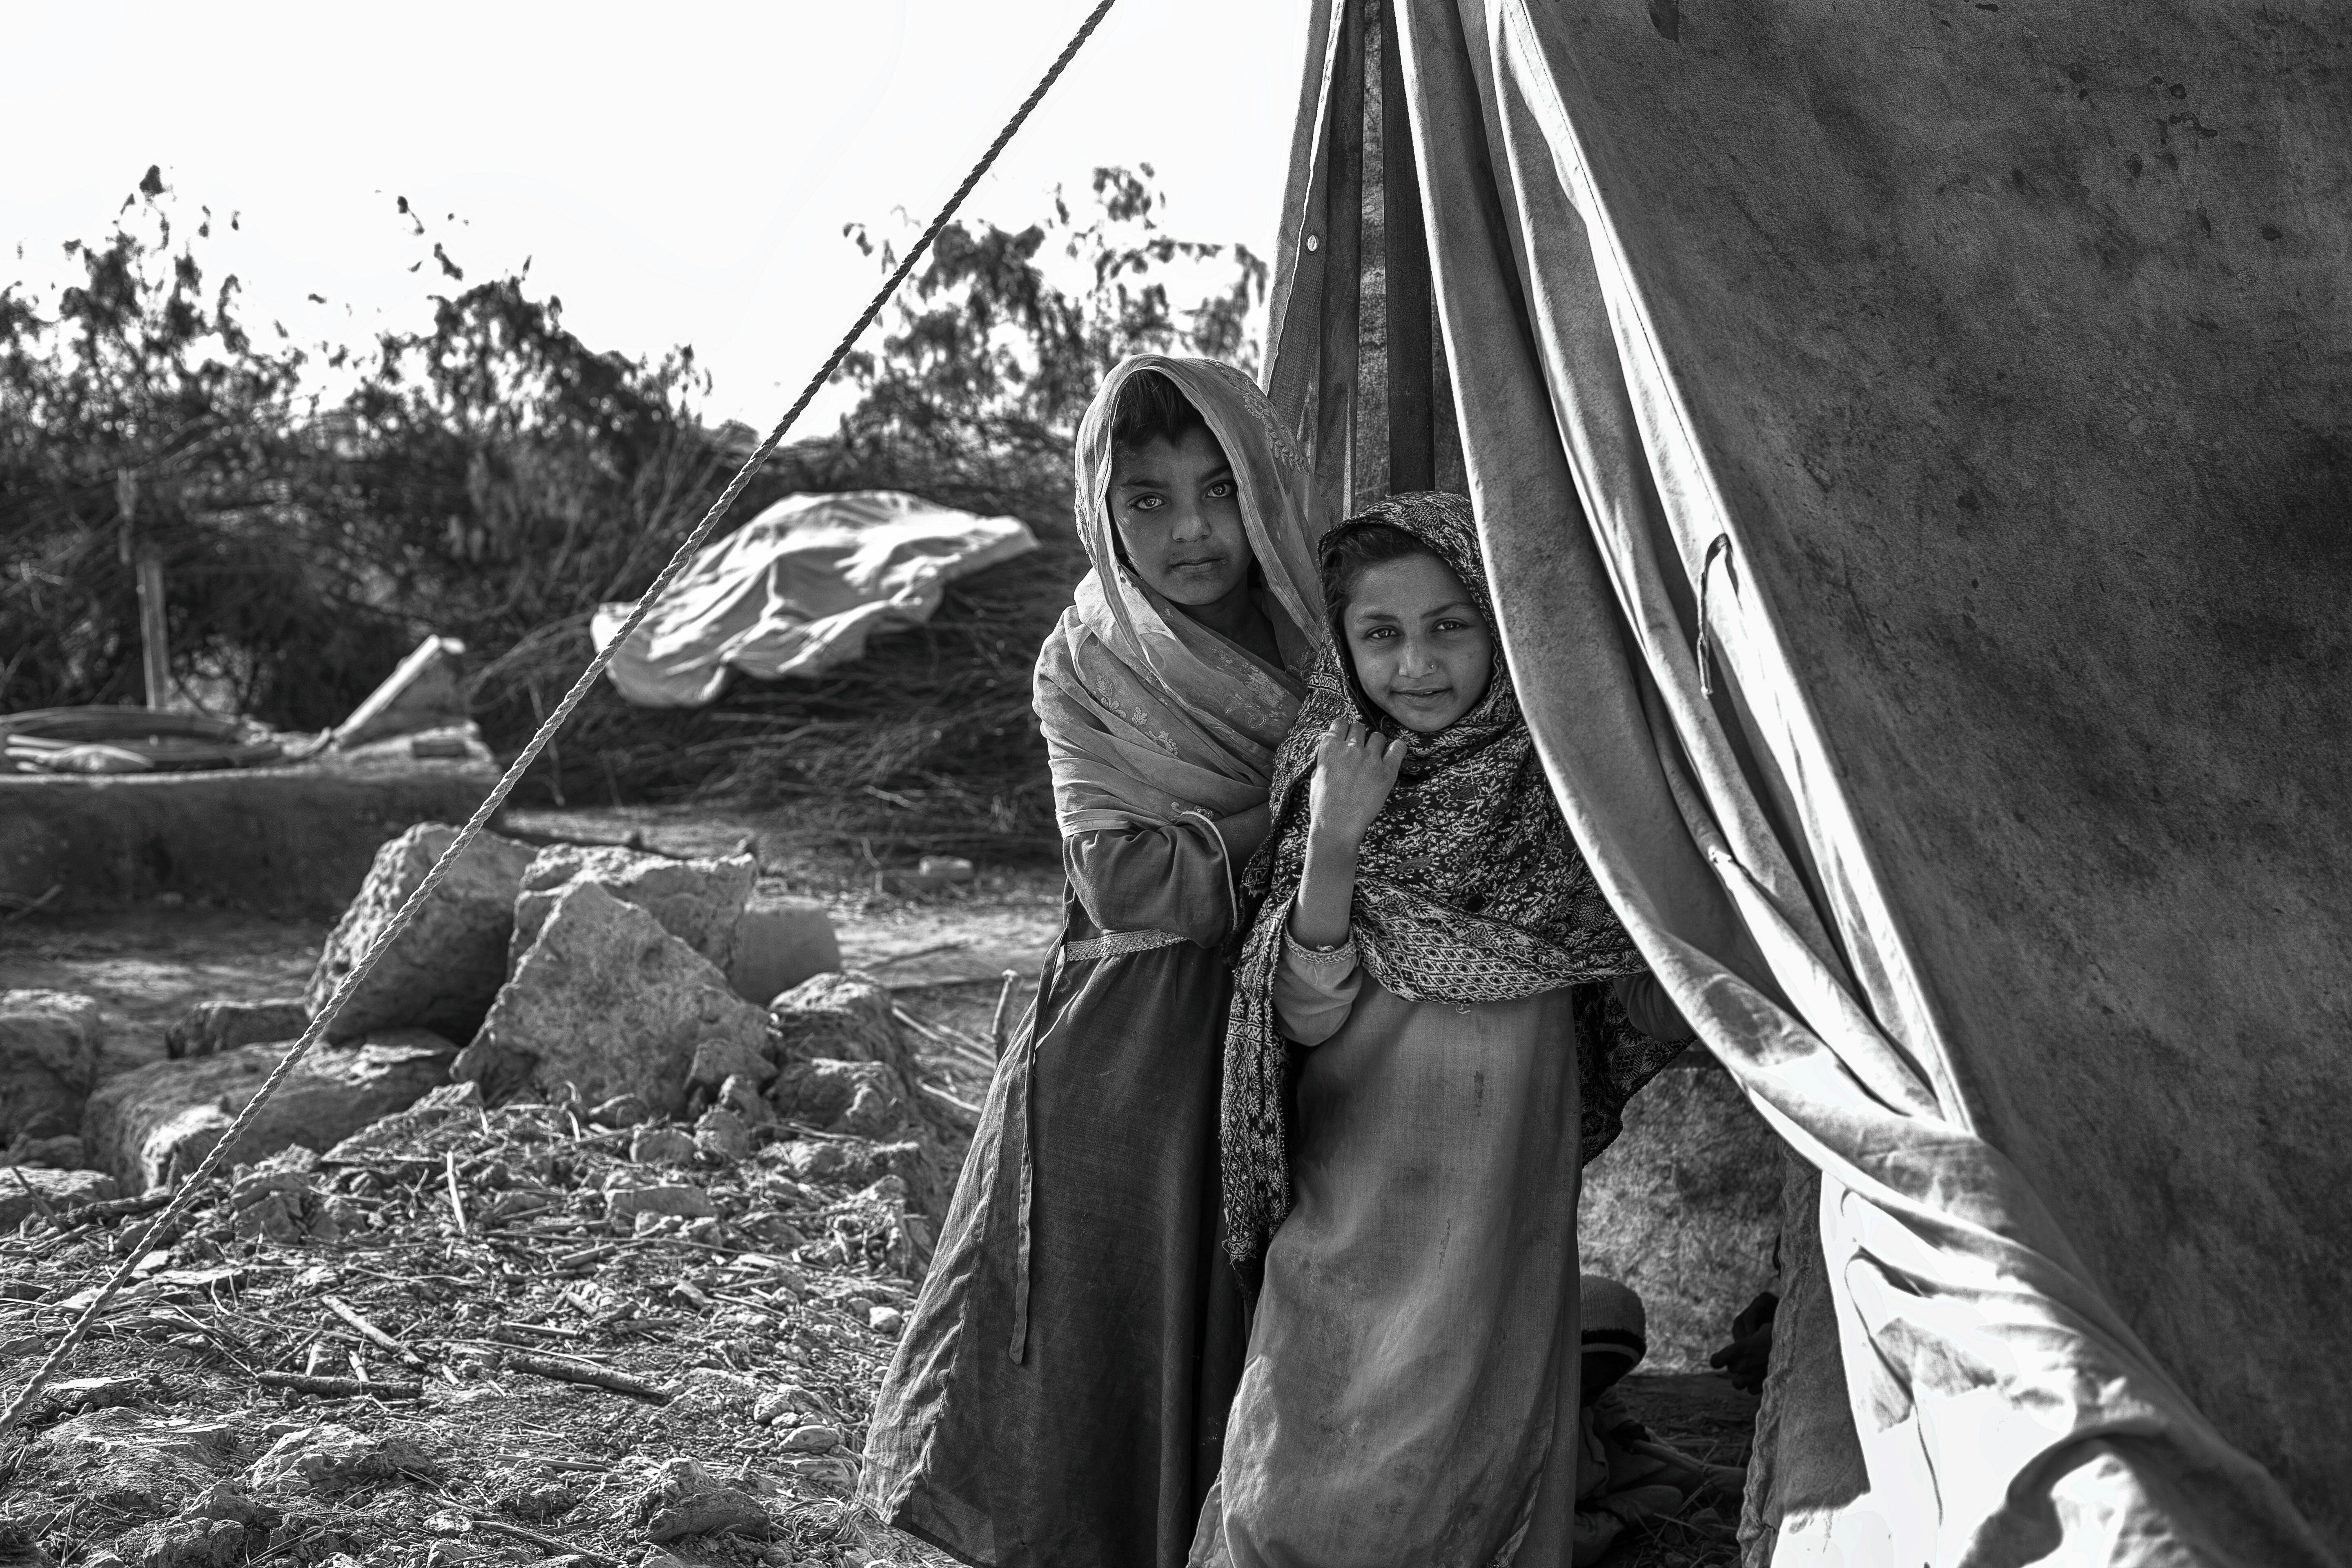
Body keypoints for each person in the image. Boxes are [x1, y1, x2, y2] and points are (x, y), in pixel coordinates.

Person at [863, 356, 1327, 1568]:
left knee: (1285, 1311)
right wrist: (1302, 814)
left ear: (1266, 485)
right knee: (1118, 1314)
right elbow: (1121, 879)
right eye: (1148, 499)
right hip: (1131, 1046)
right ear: (1101, 510)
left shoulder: (1334, 635)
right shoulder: (1085, 660)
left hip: (1315, 1006)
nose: (1191, 530)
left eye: (1219, 489)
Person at [1192, 492, 1694, 1567]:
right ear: (1344, 645)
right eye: (1381, 634)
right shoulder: (1330, 776)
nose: (1416, 665)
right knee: (1307, 1446)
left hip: (1503, 1199)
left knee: (1483, 1442)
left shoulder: (1566, 789)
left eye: (1450, 626)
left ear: (1501, 627)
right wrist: (1337, 839)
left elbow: (1637, 981)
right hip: (1356, 1194)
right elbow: (1300, 1016)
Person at [1572, 1275, 1748, 1565]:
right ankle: (1610, 1516)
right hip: (1560, 1499)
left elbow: (1606, 1401)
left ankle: (1722, 1480)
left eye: (1605, 1383)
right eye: (1584, 1382)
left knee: (1678, 1483)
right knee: (1565, 1544)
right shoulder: (1520, 1410)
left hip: (1598, 1465)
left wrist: (1620, 1424)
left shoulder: (1595, 1386)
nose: (1590, 1395)